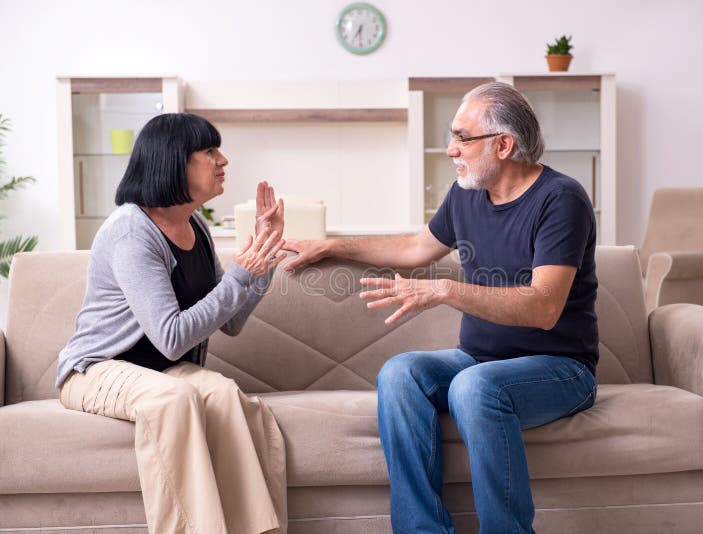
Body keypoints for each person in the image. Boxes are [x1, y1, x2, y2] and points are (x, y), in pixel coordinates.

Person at [283, 82, 598, 534]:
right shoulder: (466, 193)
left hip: (562, 368)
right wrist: (332, 246)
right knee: (400, 373)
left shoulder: (560, 199)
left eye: (462, 137)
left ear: (503, 144)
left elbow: (544, 307)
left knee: (474, 388)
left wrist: (445, 291)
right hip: (479, 359)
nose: (452, 150)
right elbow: (416, 246)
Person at [56, 113, 288, 534]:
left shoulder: (194, 226)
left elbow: (231, 321)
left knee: (223, 393)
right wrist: (240, 273)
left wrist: (263, 259)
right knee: (174, 398)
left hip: (158, 370)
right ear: (174, 162)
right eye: (209, 151)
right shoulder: (132, 232)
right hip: (95, 368)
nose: (223, 160)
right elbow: (172, 338)